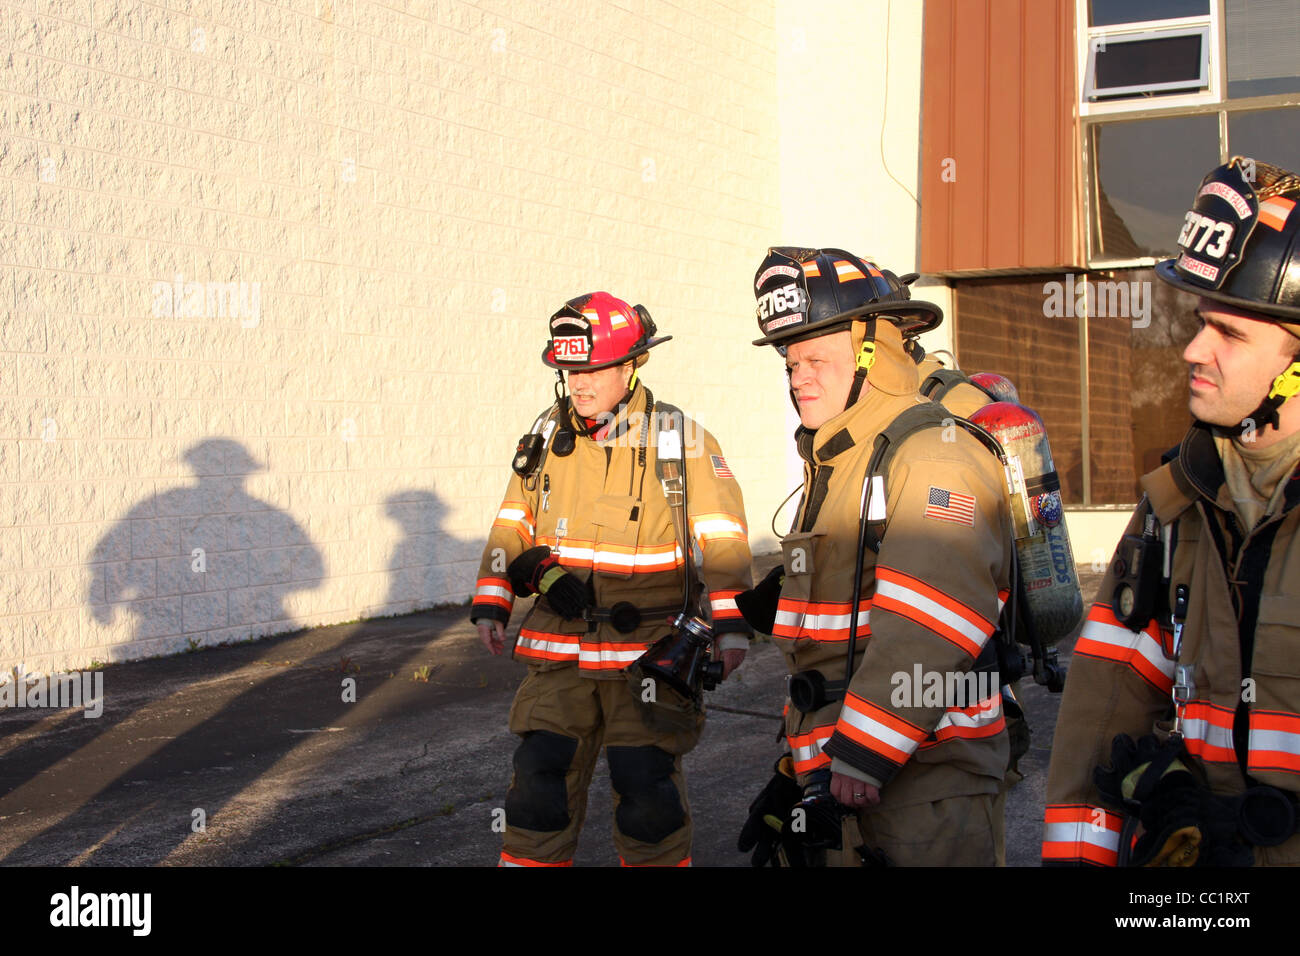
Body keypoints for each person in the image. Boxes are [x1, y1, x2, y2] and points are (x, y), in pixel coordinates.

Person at [1043, 158, 1300, 867]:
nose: (1193, 349)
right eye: (1199, 323)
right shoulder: (1177, 504)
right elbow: (1101, 713)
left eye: (1231, 334)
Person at [737, 247, 1013, 866]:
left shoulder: (932, 454)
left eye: (816, 359)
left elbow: (938, 617)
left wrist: (866, 746)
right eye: (790, 361)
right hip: (846, 773)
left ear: (873, 353)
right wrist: (797, 768)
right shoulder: (842, 456)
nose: (797, 377)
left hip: (927, 786)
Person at [470, 291, 754, 867]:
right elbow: (512, 522)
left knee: (648, 798)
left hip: (645, 656)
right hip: (560, 654)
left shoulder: (681, 441)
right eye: (569, 370)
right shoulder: (547, 438)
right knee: (538, 789)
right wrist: (493, 599)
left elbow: (722, 541)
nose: (578, 382)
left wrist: (731, 630)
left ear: (630, 366)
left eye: (592, 368)